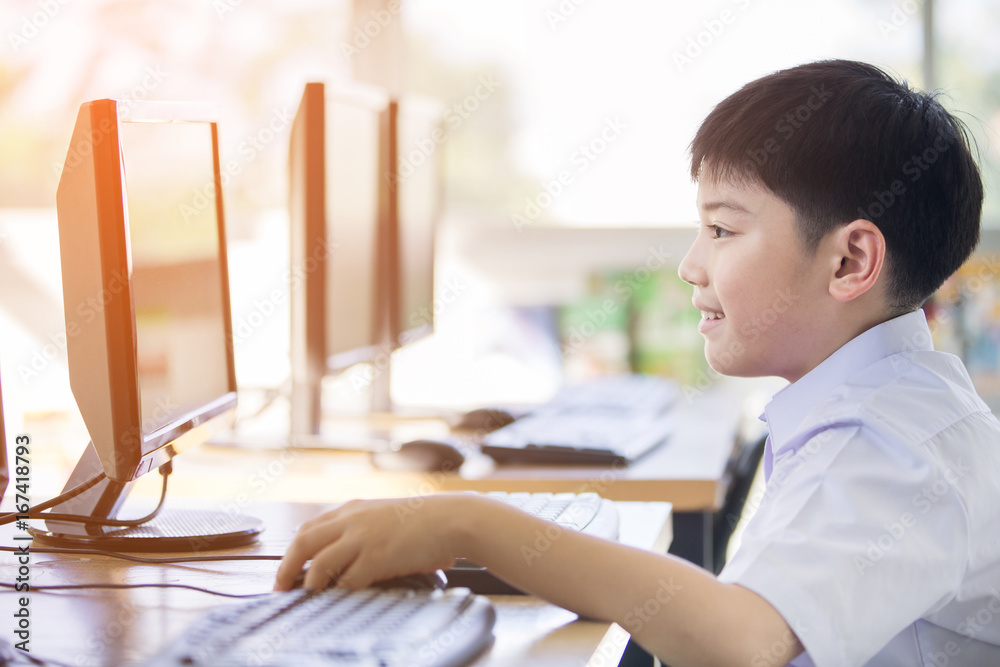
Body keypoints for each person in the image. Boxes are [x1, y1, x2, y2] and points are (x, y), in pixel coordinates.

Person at [274, 60, 1000, 666]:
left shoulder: (894, 445)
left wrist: (469, 524)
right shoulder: (886, 405)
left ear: (850, 260)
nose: (691, 265)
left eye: (721, 228)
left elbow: (743, 640)